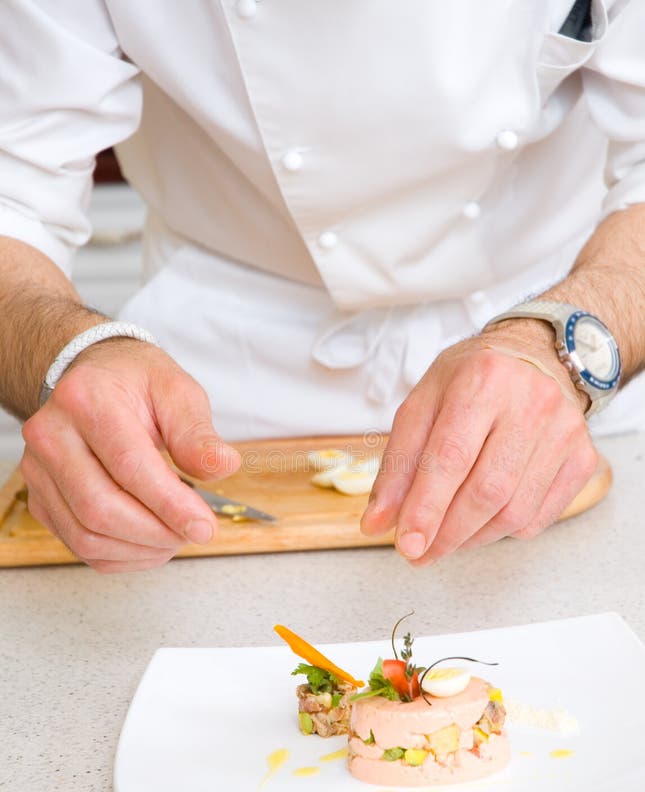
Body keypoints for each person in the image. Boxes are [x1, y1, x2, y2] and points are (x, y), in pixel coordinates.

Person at [1, 1, 644, 573]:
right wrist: (66, 355)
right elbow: (13, 201)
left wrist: (563, 345)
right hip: (214, 379)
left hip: (558, 365)